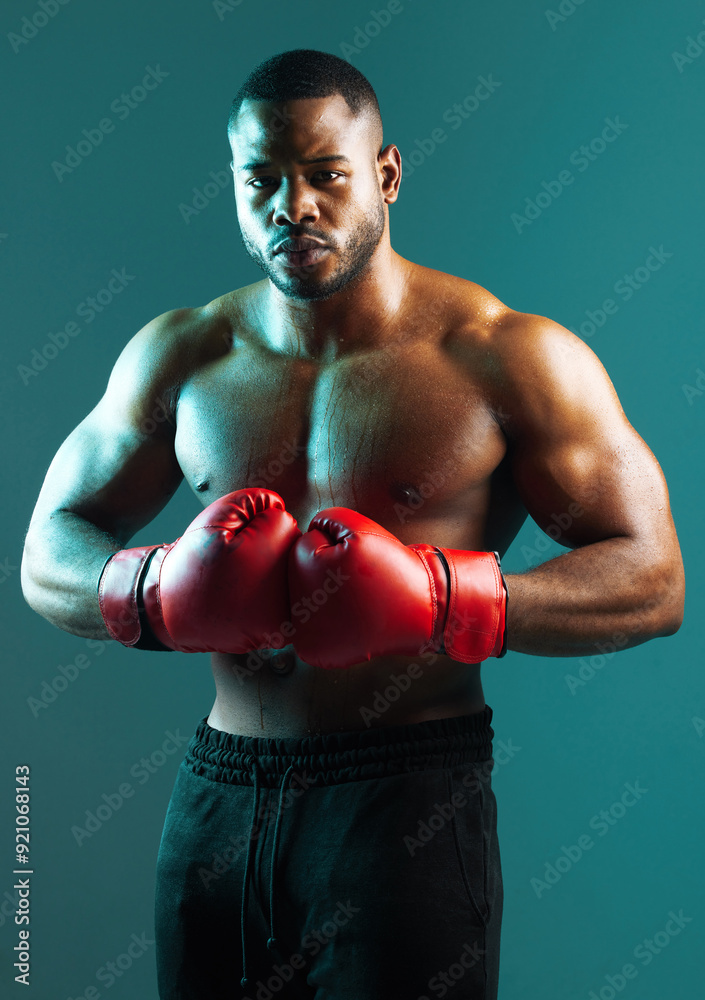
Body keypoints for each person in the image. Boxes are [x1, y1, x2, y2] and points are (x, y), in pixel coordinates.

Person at [21, 48, 684, 1000]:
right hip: (218, 796)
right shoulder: (184, 353)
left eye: (325, 174)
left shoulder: (505, 357)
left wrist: (441, 600)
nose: (292, 205)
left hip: (403, 800)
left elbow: (652, 579)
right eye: (263, 180)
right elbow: (46, 553)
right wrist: (154, 590)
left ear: (386, 174)